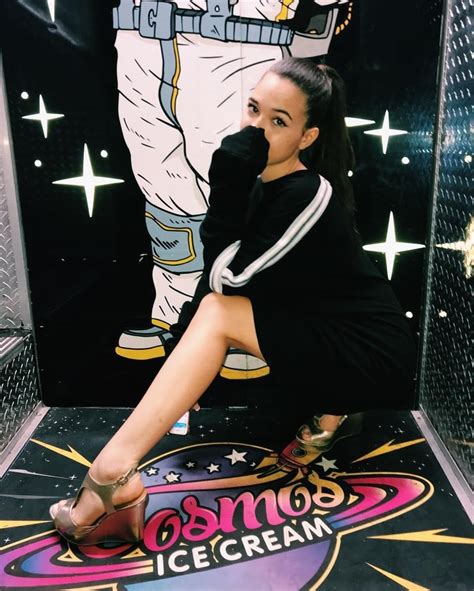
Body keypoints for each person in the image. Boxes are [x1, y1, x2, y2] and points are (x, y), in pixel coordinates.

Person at [49, 57, 417, 546]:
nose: (257, 129)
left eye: (278, 121)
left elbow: (228, 279)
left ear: (307, 137)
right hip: (324, 333)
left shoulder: (308, 192)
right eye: (253, 109)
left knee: (222, 312)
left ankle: (112, 472)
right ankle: (331, 412)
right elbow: (218, 287)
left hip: (372, 355)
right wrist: (184, 347)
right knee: (217, 313)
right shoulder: (260, 183)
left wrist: (225, 187)